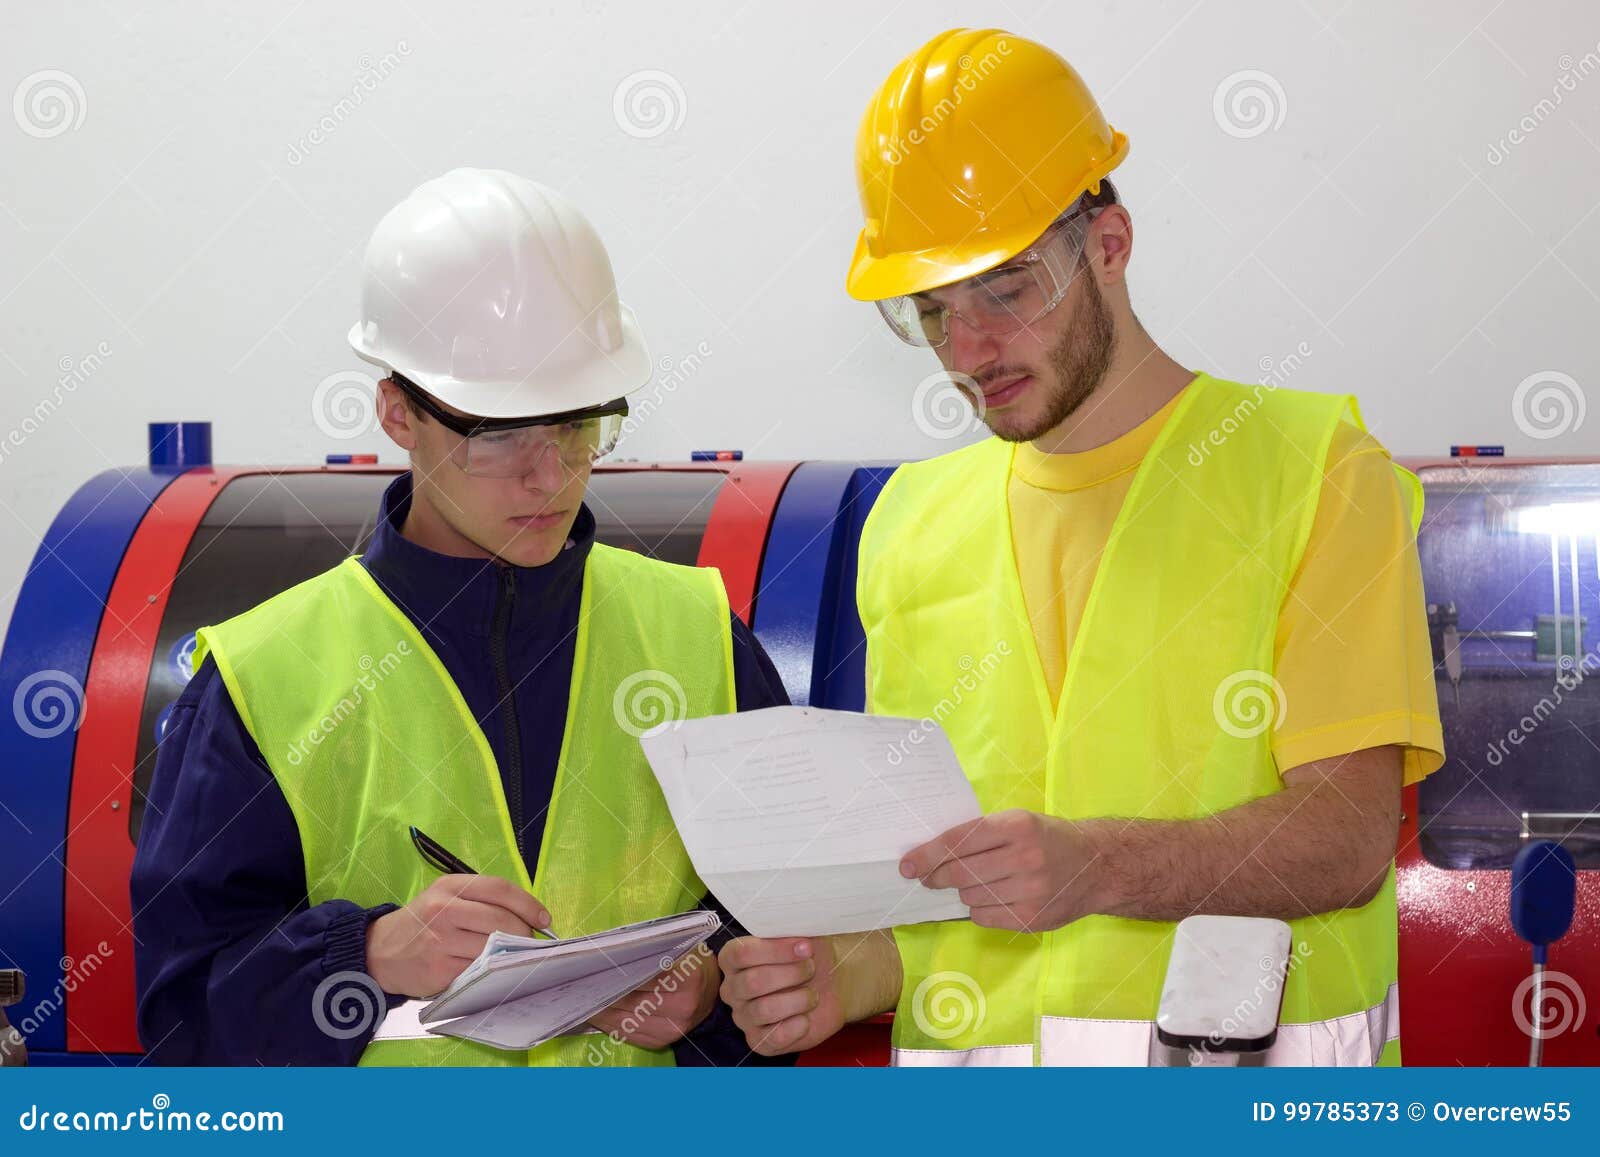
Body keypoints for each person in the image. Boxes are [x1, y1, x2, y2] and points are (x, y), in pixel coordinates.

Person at [719, 29, 1443, 1066]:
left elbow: (1347, 833)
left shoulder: (1311, 469)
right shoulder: (909, 527)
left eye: (1006, 288)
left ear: (1107, 241)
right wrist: (850, 972)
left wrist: (1098, 866)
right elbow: (936, 901)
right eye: (932, 310)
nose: (968, 350)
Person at [132, 168, 793, 1067]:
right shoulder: (264, 679)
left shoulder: (702, 638)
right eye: (498, 432)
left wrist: (716, 995)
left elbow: (797, 954)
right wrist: (366, 958)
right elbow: (183, 1024)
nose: (550, 474)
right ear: (398, 413)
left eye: (577, 423)